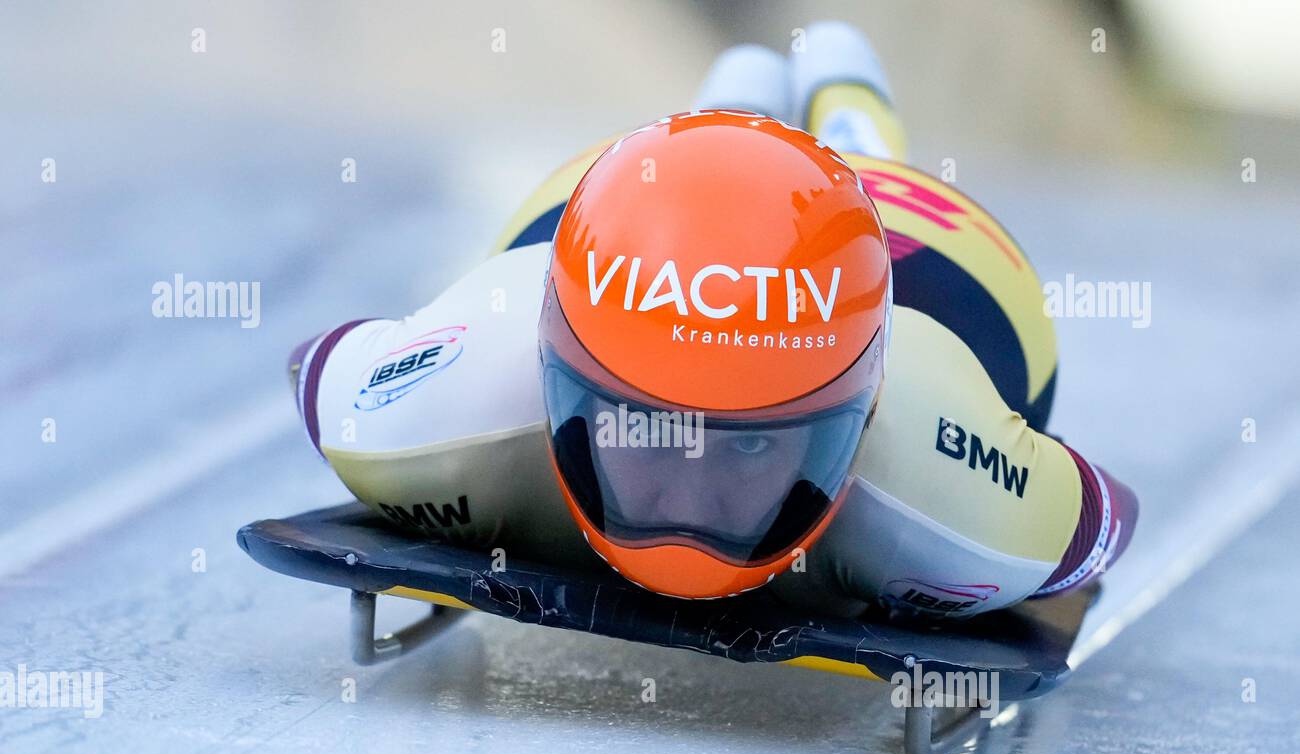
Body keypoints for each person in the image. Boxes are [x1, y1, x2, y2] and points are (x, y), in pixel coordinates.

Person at [289, 22, 1137, 619]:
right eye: (643, 427)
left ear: (864, 417)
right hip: (886, 255)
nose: (687, 499)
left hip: (929, 264)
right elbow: (1104, 524)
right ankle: (820, 117)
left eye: (752, 443)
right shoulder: (449, 399)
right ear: (549, 379)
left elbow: (315, 364)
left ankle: (823, 128)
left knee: (856, 174)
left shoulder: (957, 496)